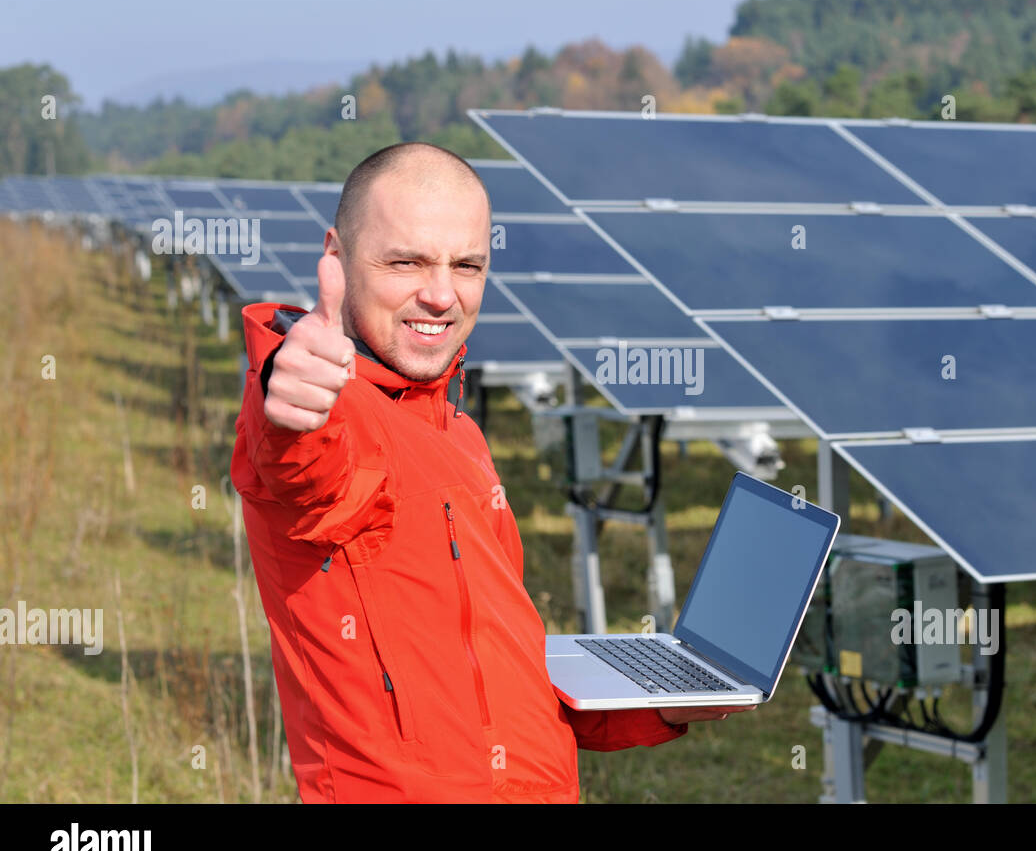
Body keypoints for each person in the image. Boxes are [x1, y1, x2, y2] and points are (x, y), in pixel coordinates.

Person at [231, 142, 749, 802]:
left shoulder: (461, 435)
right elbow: (303, 465)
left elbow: (503, 680)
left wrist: (666, 706)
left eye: (467, 265)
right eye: (406, 261)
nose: (441, 294)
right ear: (334, 256)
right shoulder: (338, 419)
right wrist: (288, 388)